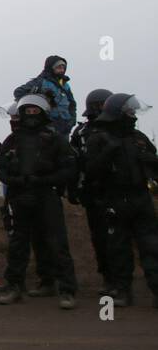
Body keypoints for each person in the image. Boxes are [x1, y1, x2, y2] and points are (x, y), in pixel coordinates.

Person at [0, 95, 78, 308]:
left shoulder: (54, 138)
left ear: (43, 113)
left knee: (57, 242)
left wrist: (45, 180)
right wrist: (16, 180)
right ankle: (14, 286)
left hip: (47, 195)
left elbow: (69, 168)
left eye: (35, 111)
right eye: (27, 111)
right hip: (20, 195)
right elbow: (0, 166)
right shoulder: (13, 140)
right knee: (18, 244)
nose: (31, 115)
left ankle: (67, 290)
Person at [85, 93, 158, 307]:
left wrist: (150, 162)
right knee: (118, 249)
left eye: (134, 111)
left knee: (152, 246)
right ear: (118, 112)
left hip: (141, 198)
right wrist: (107, 154)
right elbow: (90, 172)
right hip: (114, 200)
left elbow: (154, 164)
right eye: (130, 111)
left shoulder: (138, 137)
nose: (133, 115)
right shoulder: (98, 138)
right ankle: (123, 291)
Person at [69, 89, 113, 282]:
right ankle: (108, 276)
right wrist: (72, 188)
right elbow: (73, 162)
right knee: (100, 237)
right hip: (93, 192)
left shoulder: (118, 129)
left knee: (122, 238)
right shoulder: (81, 133)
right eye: (105, 103)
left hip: (118, 190)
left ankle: (123, 280)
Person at [14, 55, 77, 137]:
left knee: (64, 148)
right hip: (48, 123)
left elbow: (72, 104)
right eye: (58, 67)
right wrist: (39, 97)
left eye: (63, 67)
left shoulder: (65, 85)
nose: (62, 70)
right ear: (51, 67)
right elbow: (18, 92)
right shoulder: (40, 82)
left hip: (65, 125)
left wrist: (72, 120)